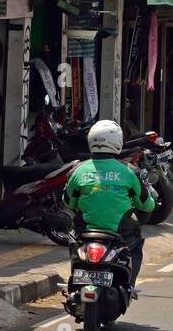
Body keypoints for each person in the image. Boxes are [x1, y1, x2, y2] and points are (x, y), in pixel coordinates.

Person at [63, 120, 155, 285]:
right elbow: (147, 205)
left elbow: (68, 203)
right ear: (117, 142)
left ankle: (76, 277)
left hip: (86, 230)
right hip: (121, 231)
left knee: (73, 239)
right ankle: (129, 285)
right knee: (137, 242)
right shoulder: (130, 171)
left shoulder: (77, 170)